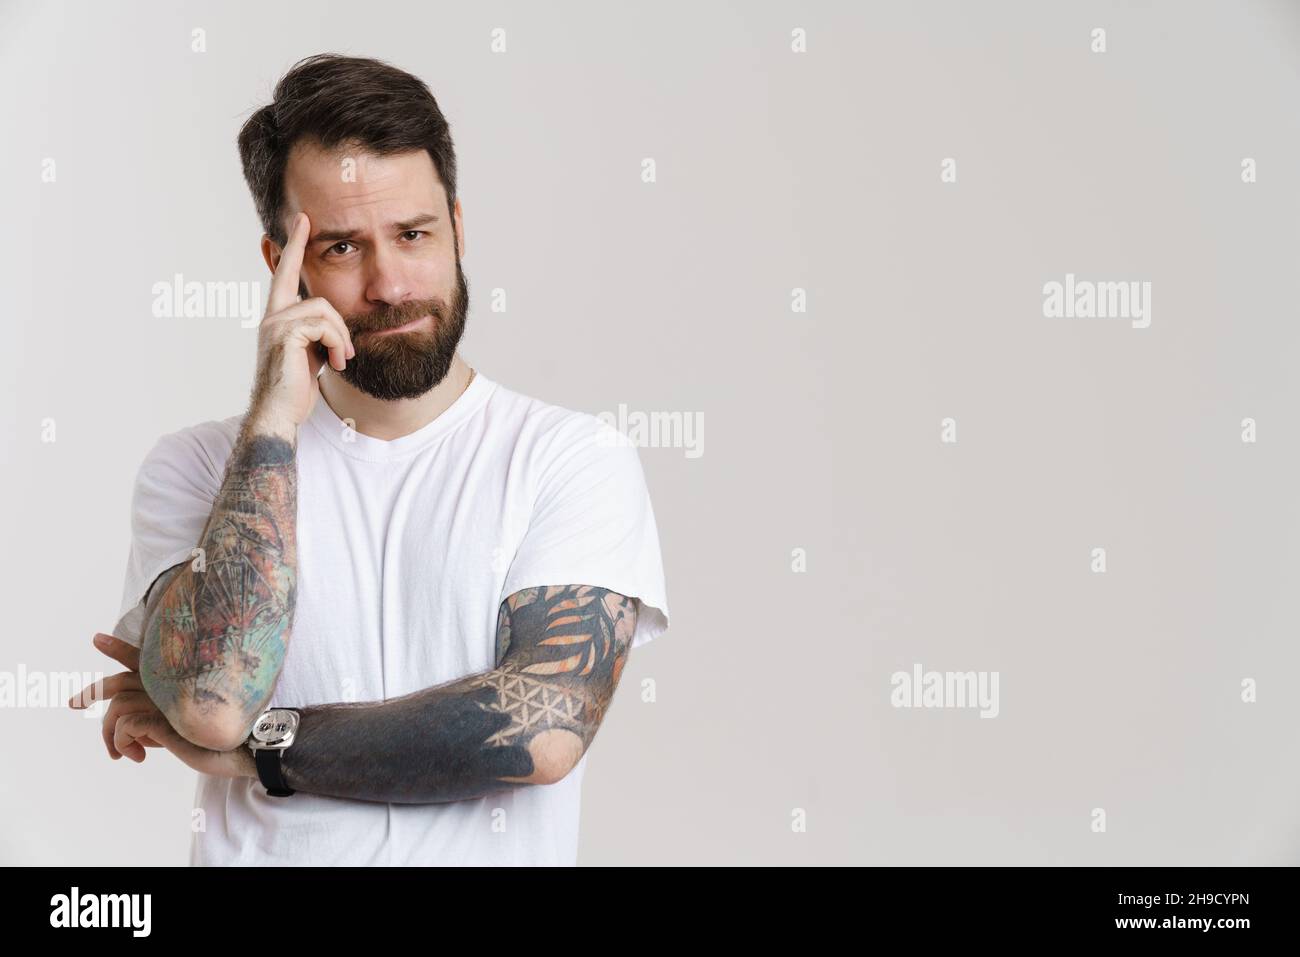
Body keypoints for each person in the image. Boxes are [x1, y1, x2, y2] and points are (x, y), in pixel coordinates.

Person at [76, 53, 670, 866]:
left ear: (459, 227)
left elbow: (537, 730)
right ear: (280, 266)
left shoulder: (571, 459)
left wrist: (265, 748)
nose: (390, 283)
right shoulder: (199, 465)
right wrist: (274, 418)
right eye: (345, 248)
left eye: (414, 235)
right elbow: (212, 705)